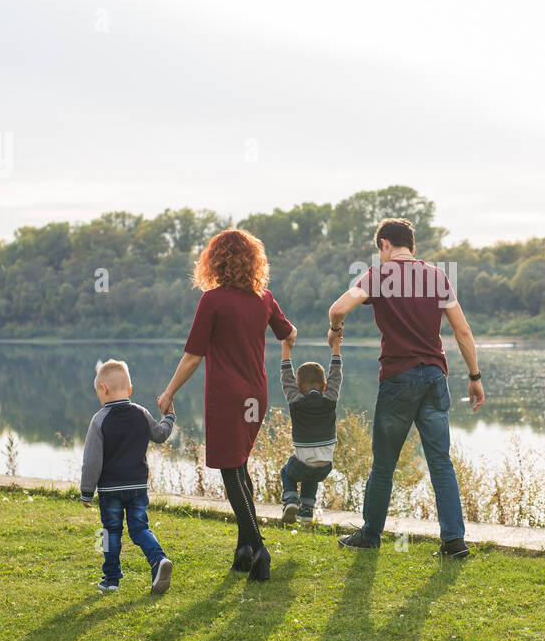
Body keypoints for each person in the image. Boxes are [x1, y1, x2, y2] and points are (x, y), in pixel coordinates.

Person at [326, 217, 485, 557]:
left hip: (398, 379)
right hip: (434, 379)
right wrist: (474, 377)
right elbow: (463, 331)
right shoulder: (438, 277)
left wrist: (335, 330)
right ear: (412, 247)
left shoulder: (379, 275)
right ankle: (454, 542)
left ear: (384, 245)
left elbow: (338, 308)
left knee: (384, 464)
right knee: (440, 461)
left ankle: (370, 535)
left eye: (379, 249)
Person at [157, 228, 294, 581]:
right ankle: (243, 550)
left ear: (215, 261)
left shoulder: (213, 301)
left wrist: (168, 393)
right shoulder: (264, 298)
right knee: (240, 464)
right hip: (256, 396)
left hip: (227, 396)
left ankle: (260, 548)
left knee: (230, 469)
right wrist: (285, 354)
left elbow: (192, 357)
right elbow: (288, 332)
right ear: (253, 261)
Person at [80, 358, 176, 594]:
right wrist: (170, 416)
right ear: (130, 390)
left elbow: (92, 460)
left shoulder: (99, 419)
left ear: (103, 389)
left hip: (110, 490)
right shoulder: (141, 413)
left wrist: (86, 491)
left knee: (110, 531)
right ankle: (158, 560)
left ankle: (111, 579)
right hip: (137, 487)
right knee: (139, 528)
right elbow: (161, 434)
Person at [277, 326, 343, 525]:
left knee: (286, 471)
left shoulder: (295, 401)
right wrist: (336, 347)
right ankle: (307, 511)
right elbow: (336, 375)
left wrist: (286, 348)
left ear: (298, 387)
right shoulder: (330, 398)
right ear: (324, 387)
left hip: (302, 464)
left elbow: (286, 379)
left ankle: (290, 500)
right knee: (311, 475)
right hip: (325, 468)